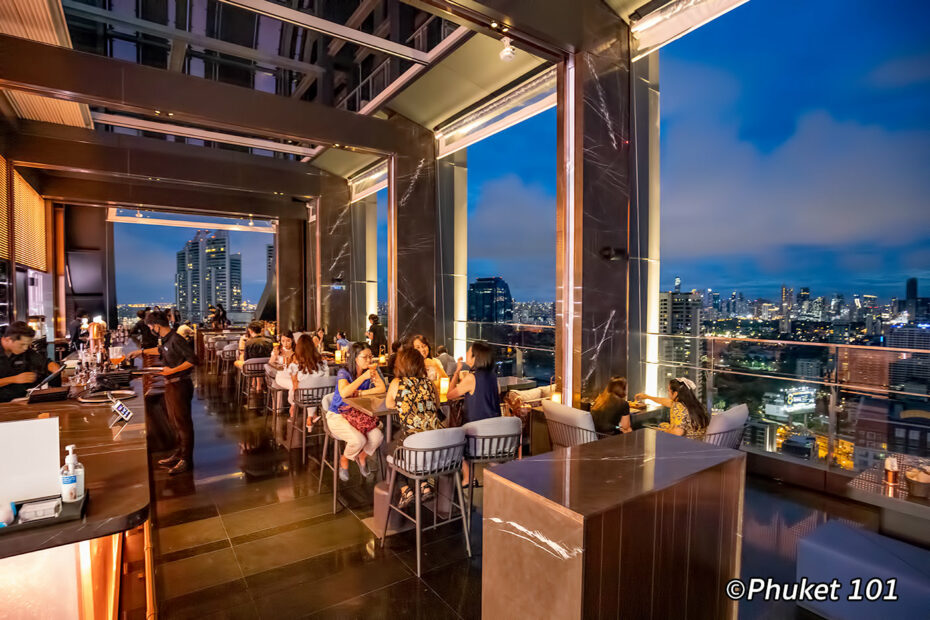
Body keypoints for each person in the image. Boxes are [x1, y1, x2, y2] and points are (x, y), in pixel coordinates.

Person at [129, 311, 197, 474]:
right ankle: (180, 453)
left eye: (151, 326)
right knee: (174, 422)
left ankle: (186, 460)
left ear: (157, 326)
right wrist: (141, 352)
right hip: (171, 384)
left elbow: (193, 360)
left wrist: (173, 370)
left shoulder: (176, 339)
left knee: (183, 423)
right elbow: (160, 350)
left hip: (180, 384)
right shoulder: (167, 340)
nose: (151, 329)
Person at [385, 346, 442, 507]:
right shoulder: (429, 383)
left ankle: (405, 490)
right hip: (437, 448)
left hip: (414, 447)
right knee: (408, 447)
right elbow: (436, 405)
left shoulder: (397, 383)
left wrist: (404, 404)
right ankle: (424, 485)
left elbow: (389, 403)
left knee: (389, 449)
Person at [327, 342, 386, 481]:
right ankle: (344, 460)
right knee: (358, 440)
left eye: (371, 357)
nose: (369, 360)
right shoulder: (344, 372)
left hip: (358, 414)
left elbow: (381, 389)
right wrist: (363, 378)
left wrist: (360, 394)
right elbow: (344, 393)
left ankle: (362, 456)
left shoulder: (370, 371)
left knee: (378, 437)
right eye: (365, 357)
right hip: (338, 415)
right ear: (355, 358)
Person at [447, 340, 500, 483]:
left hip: (477, 436)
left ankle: (467, 480)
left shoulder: (472, 378)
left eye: (469, 352)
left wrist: (457, 371)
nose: (466, 354)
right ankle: (496, 472)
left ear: (475, 357)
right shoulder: (493, 377)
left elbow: (450, 394)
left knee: (457, 436)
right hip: (496, 434)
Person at [0, 322, 60, 402]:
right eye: (22, 344)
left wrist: (55, 368)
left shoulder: (25, 351)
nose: (25, 348)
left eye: (27, 345)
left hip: (21, 400)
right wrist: (14, 379)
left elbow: (45, 362)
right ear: (8, 340)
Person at [635, 377, 709, 440]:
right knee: (662, 425)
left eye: (668, 391)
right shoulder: (696, 405)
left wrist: (664, 430)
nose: (668, 393)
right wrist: (647, 396)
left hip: (685, 446)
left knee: (651, 432)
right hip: (699, 444)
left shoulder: (678, 406)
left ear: (675, 393)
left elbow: (678, 432)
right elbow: (664, 401)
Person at [275, 335, 328, 422]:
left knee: (297, 387)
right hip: (319, 395)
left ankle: (299, 413)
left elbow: (295, 385)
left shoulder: (294, 363)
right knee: (310, 388)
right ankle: (311, 416)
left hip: (303, 395)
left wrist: (293, 403)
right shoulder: (321, 363)